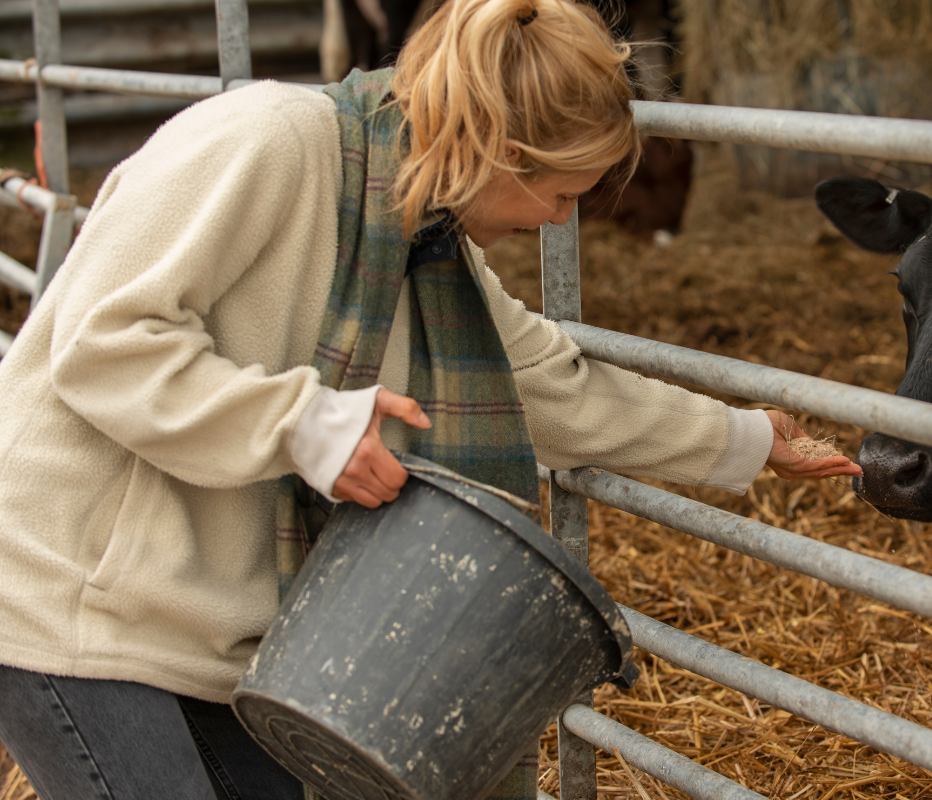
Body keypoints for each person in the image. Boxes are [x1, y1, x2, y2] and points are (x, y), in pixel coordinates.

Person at [0, 0, 861, 798]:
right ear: (498, 150)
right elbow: (102, 344)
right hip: (71, 593)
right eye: (561, 192)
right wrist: (303, 425)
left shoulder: (428, 243)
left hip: (209, 631)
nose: (563, 220)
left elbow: (551, 387)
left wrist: (746, 440)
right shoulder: (266, 141)